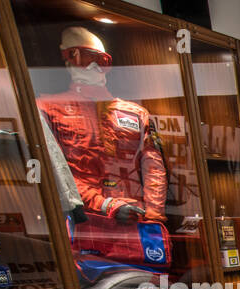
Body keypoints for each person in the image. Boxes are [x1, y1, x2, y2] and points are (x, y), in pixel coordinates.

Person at [37, 26, 169, 267]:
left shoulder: (136, 113)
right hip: (87, 226)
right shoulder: (47, 108)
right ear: (67, 58)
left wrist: (152, 214)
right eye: (86, 58)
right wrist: (105, 204)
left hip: (137, 227)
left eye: (103, 60)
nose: (96, 66)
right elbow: (57, 171)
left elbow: (154, 167)